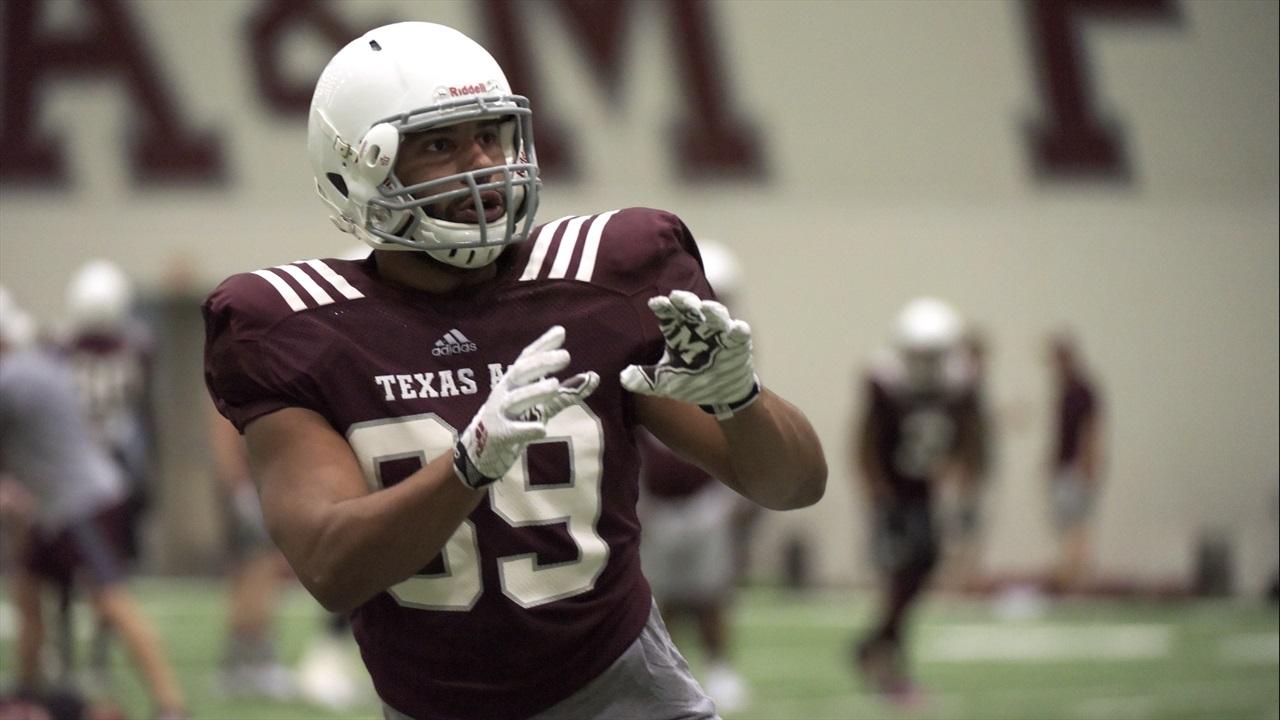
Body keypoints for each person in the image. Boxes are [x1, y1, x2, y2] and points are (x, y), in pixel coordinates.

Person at [201, 21, 826, 720]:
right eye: (441, 144)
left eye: (491, 136)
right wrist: (470, 464)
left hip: (621, 687)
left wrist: (742, 402)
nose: (484, 167)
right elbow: (330, 567)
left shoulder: (606, 280)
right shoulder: (293, 325)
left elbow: (794, 485)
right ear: (359, 168)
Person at [0, 284, 187, 720]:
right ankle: (28, 692)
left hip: (80, 503)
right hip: (59, 503)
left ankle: (171, 705)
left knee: (112, 602)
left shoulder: (16, 374)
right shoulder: (32, 365)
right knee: (27, 590)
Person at [636, 240, 758, 714]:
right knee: (654, 597)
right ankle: (667, 670)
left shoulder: (737, 352)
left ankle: (720, 667)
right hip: (657, 494)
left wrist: (737, 492)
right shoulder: (645, 345)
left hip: (707, 490)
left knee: (712, 593)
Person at [849, 297, 981, 705]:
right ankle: (890, 663)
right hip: (894, 495)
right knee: (901, 577)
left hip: (923, 493)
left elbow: (967, 436)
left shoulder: (960, 382)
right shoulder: (884, 382)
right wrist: (882, 503)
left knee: (918, 571)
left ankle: (873, 645)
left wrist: (959, 484)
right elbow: (866, 448)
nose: (925, 364)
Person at [52, 259, 158, 689]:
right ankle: (91, 660)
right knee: (105, 572)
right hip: (112, 472)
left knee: (74, 571)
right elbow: (146, 419)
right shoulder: (137, 347)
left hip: (77, 471)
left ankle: (73, 658)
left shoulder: (58, 346)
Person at [208, 402, 296, 700]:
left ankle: (242, 662)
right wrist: (240, 489)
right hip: (248, 488)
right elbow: (223, 437)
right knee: (257, 573)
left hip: (257, 485)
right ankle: (251, 662)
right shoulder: (236, 379)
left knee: (258, 573)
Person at [934, 328, 993, 594]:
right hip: (962, 469)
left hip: (975, 468)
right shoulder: (958, 393)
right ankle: (955, 579)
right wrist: (954, 466)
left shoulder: (975, 392)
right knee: (956, 528)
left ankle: (967, 577)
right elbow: (955, 433)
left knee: (970, 527)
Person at [1046, 331, 1104, 595]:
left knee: (1077, 523)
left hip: (1075, 468)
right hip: (1063, 466)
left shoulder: (1082, 391)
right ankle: (1070, 572)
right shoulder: (1063, 391)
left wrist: (1087, 462)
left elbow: (1090, 429)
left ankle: (1077, 576)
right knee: (1065, 523)